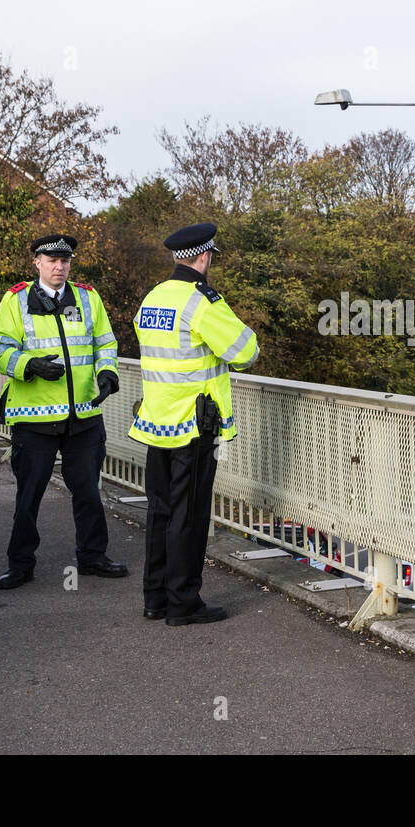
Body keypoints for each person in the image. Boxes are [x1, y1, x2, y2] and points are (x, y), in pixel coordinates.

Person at [130, 223, 258, 625]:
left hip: (157, 422)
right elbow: (246, 351)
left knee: (161, 512)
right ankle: (183, 603)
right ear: (204, 257)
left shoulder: (153, 297)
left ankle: (155, 599)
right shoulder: (202, 302)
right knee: (189, 516)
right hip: (193, 426)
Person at [0, 234, 124, 589]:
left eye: (65, 261)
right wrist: (29, 364)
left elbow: (104, 343)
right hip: (34, 418)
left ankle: (92, 556)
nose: (59, 267)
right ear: (37, 262)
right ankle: (20, 564)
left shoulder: (87, 297)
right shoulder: (16, 300)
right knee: (28, 496)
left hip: (82, 414)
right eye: (51, 260)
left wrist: (107, 372)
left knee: (89, 492)